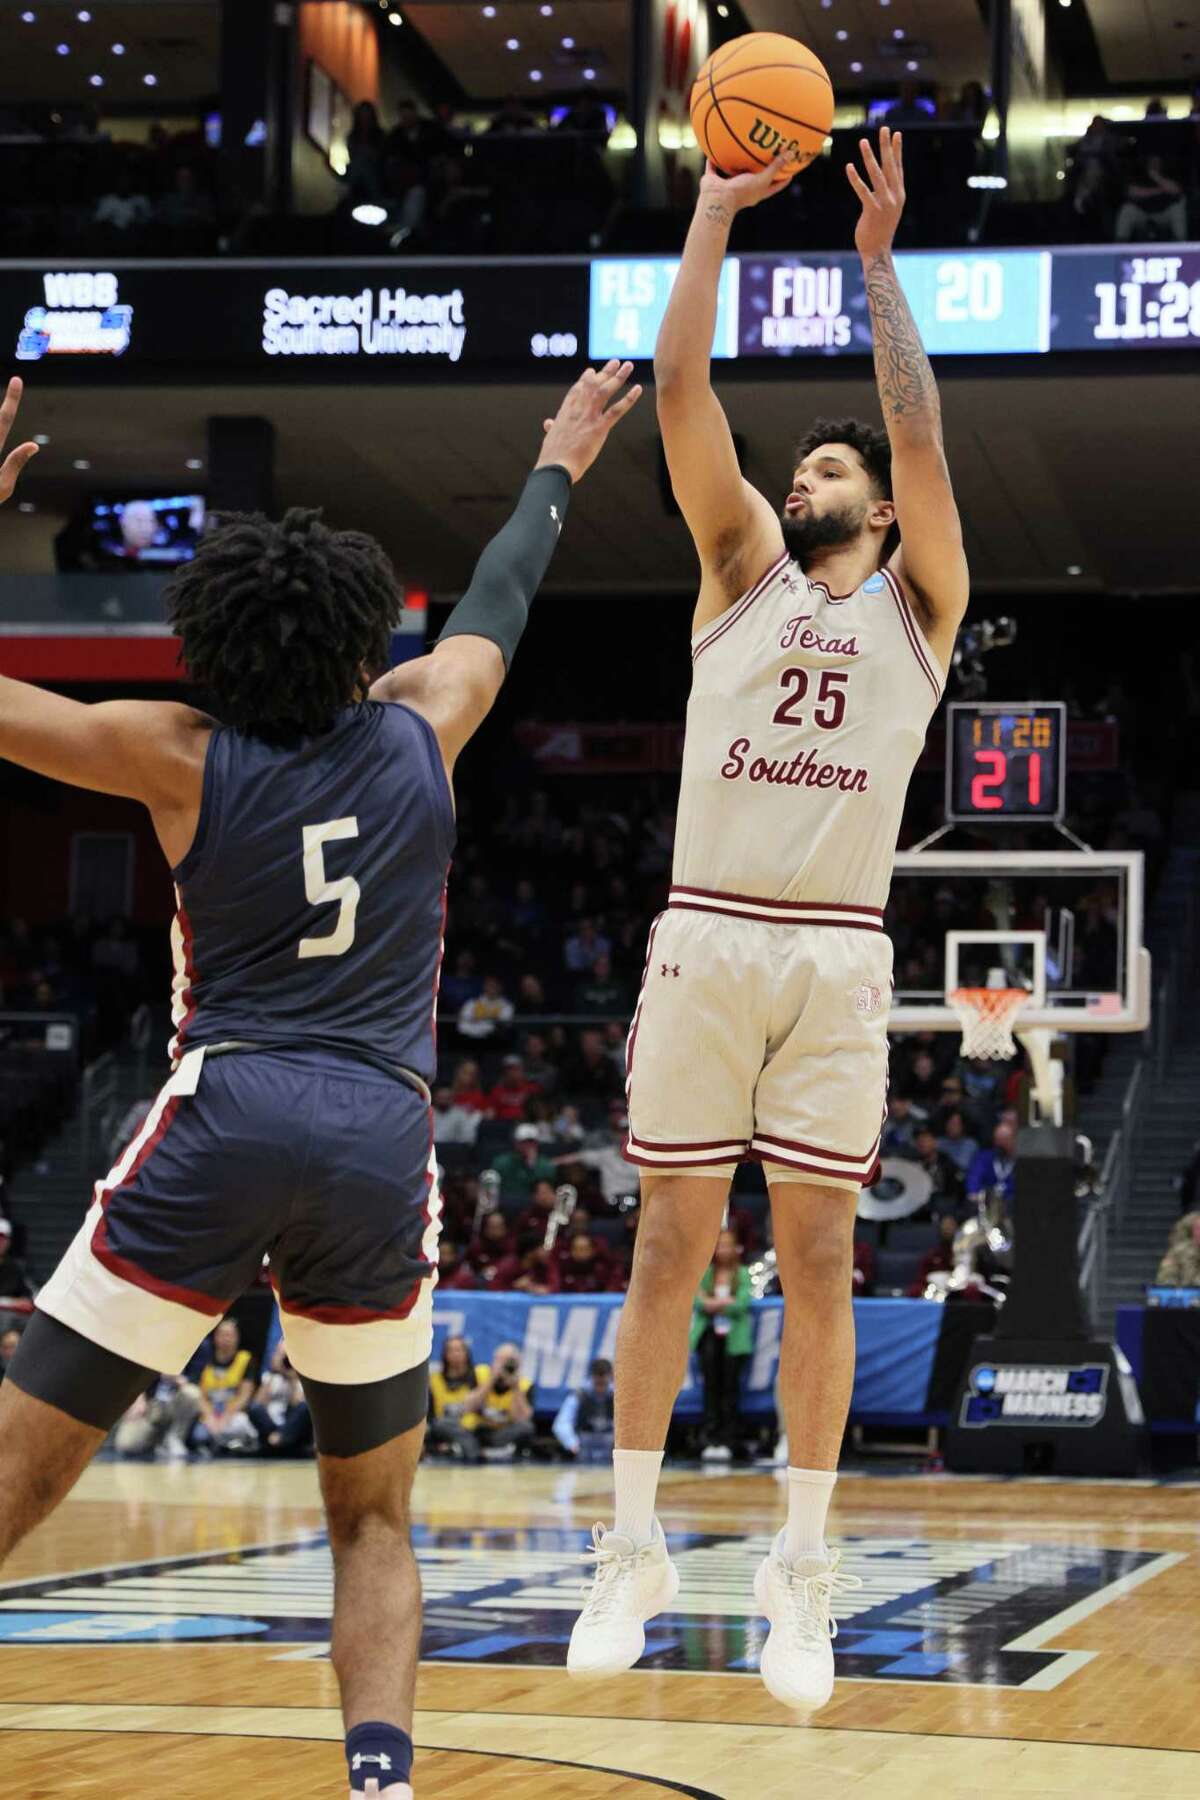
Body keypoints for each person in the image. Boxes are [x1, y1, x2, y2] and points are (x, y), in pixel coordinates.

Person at [0, 362, 639, 1800]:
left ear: (216, 643)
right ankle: (379, 1776)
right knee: (372, 1519)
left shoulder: (172, 755)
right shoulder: (429, 723)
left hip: (226, 1113)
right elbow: (502, 599)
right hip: (375, 1136)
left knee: (28, 1458)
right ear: (362, 637)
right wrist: (557, 462)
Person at [570, 129, 968, 1716]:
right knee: (669, 1241)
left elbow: (923, 441)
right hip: (707, 934)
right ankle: (631, 1542)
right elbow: (680, 400)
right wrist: (712, 219)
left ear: (872, 511)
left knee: (815, 1256)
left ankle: (801, 1568)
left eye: (827, 475)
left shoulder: (917, 600)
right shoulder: (738, 566)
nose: (802, 484)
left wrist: (876, 272)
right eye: (797, 469)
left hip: (836, 949)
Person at [691, 1228, 752, 1463]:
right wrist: (722, 1302)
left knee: (730, 1388)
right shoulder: (706, 1273)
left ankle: (729, 1439)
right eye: (720, 1244)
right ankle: (709, 1438)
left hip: (733, 1338)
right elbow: (697, 1300)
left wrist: (714, 1303)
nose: (723, 1249)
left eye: (728, 1244)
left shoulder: (743, 1274)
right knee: (710, 1388)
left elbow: (743, 1303)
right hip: (709, 1335)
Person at [191, 1317, 258, 1453]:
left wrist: (225, 1418)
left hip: (233, 1413)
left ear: (237, 1338)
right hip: (211, 1412)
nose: (226, 1339)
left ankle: (235, 1444)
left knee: (241, 1425)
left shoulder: (245, 1359)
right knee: (199, 1435)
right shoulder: (205, 1360)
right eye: (222, 1334)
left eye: (230, 1335)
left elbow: (245, 1395)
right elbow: (200, 1396)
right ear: (215, 1337)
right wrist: (210, 1417)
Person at [113, 1372, 201, 1459]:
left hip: (174, 1401)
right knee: (127, 1445)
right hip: (149, 1403)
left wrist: (177, 1378)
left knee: (192, 1392)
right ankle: (154, 1442)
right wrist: (137, 1396)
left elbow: (194, 1377)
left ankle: (174, 1438)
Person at [249, 1341, 314, 1455]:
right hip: (271, 1426)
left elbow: (297, 1406)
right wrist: (273, 1372)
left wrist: (292, 1378)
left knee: (305, 1407)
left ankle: (280, 1438)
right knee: (254, 1408)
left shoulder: (302, 1378)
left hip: (292, 1428)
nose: (286, 1361)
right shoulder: (271, 1377)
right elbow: (258, 1403)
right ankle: (277, 1438)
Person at [553, 1357, 615, 1459]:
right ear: (592, 1377)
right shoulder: (579, 1395)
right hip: (584, 1446)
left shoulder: (617, 1396)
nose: (600, 1388)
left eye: (603, 1384)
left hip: (610, 1447)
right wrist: (572, 1443)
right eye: (597, 1384)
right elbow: (561, 1423)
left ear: (610, 1377)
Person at [494, 1122, 557, 1200]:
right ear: (516, 1142)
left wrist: (531, 1165)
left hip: (533, 1203)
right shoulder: (501, 1162)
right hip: (504, 1201)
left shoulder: (545, 1164)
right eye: (524, 1142)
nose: (528, 1145)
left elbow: (544, 1191)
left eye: (531, 1142)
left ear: (537, 1143)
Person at [966, 1120, 1016, 1206]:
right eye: (998, 1140)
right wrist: (975, 1192)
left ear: (1013, 1139)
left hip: (1012, 1203)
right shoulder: (985, 1157)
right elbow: (974, 1177)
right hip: (987, 1202)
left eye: (1004, 1140)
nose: (1000, 1144)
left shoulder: (1021, 1161)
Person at [1156, 1212, 1200, 1288]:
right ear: (1193, 1231)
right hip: (1187, 1295)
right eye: (1198, 1229)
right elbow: (1166, 1276)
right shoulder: (1178, 1252)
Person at [0, 1220, 32, 1300]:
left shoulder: (14, 1268)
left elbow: (26, 1298)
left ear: (8, 1242)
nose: (0, 1242)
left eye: (3, 1239)